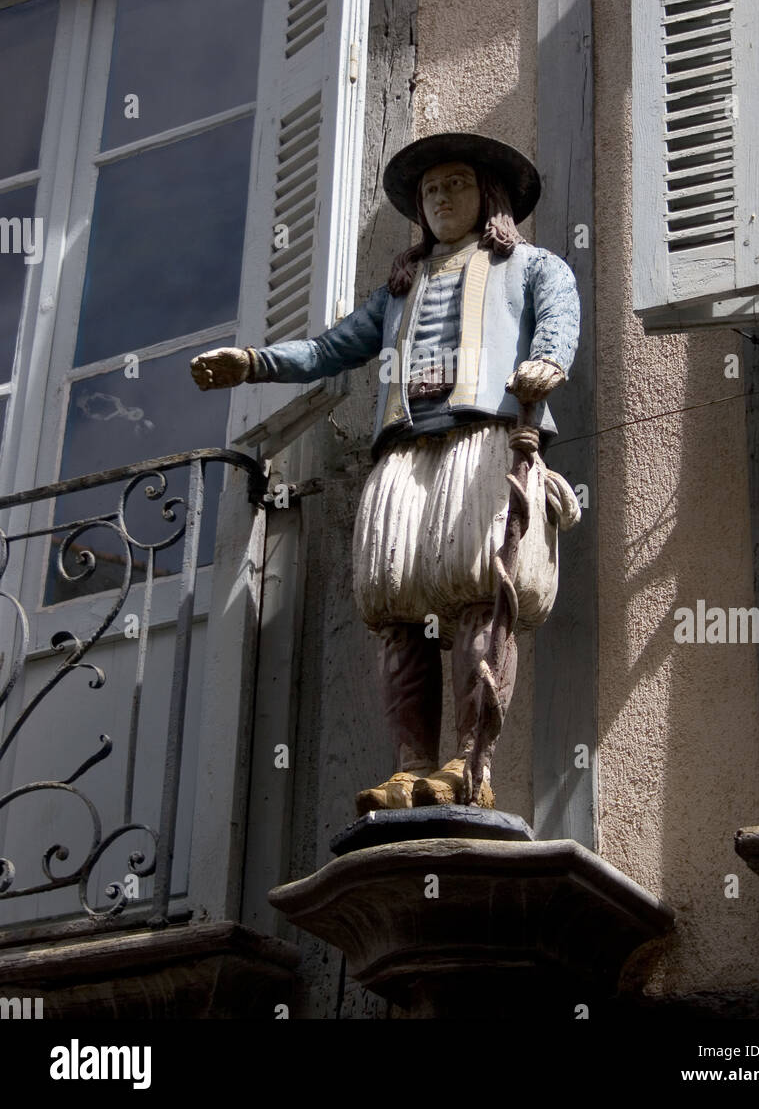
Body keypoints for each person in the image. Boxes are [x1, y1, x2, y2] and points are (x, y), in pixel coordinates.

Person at [191, 133, 580, 813]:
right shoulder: (400, 291)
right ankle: (411, 765)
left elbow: (557, 318)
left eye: (455, 183)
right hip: (405, 449)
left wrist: (547, 361)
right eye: (430, 190)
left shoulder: (531, 266)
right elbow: (328, 350)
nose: (439, 198)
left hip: (485, 437)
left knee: (483, 590)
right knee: (396, 602)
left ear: (488, 195)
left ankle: (469, 761)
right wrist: (255, 362)